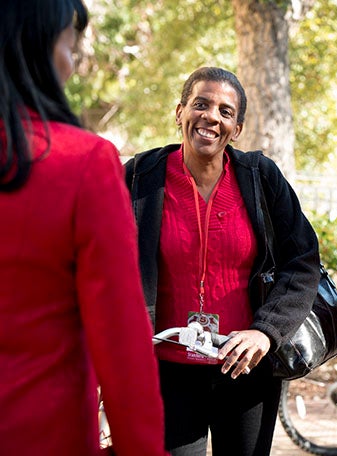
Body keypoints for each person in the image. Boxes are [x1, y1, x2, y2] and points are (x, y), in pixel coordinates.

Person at [123, 66, 320, 456]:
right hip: (165, 370)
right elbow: (102, 263)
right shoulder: (140, 177)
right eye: (201, 104)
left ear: (238, 128)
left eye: (225, 111)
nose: (211, 116)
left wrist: (265, 331)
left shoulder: (260, 177)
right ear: (179, 112)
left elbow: (303, 261)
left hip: (245, 368)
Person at [0, 1, 167, 455]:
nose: (72, 66)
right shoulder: (80, 163)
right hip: (41, 434)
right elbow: (121, 344)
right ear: (37, 48)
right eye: (70, 46)